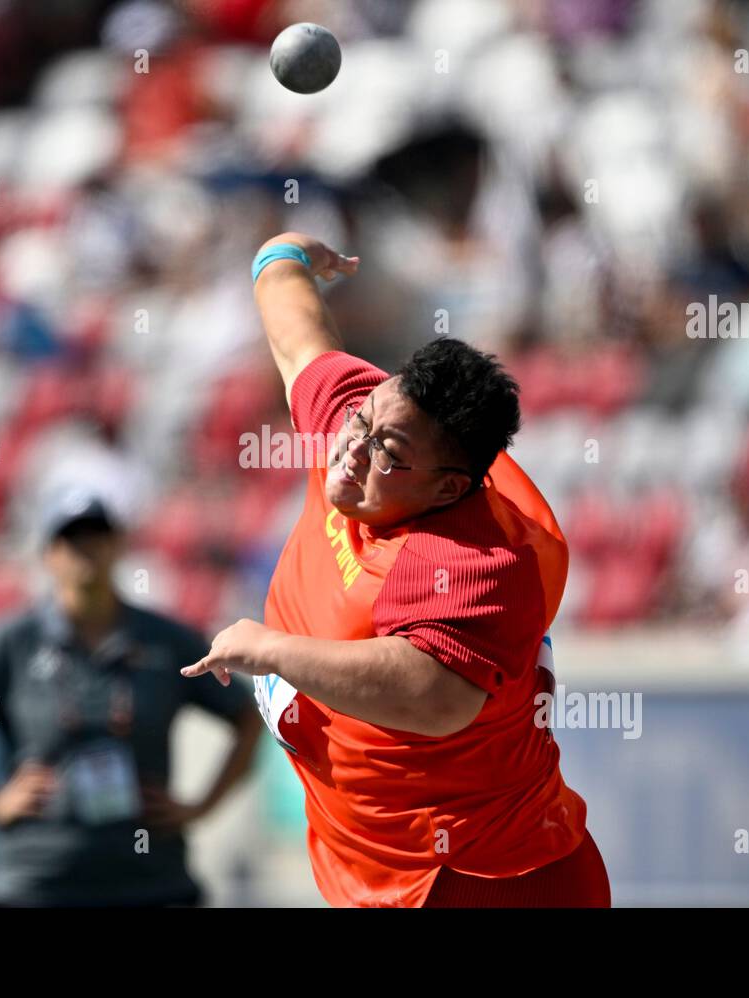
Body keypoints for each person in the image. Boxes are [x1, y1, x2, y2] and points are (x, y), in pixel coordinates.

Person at [181, 232, 610, 908]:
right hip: (379, 865)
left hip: (484, 879)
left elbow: (432, 699)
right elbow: (297, 336)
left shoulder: (472, 563)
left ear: (445, 489)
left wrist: (272, 651)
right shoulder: (362, 416)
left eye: (388, 452)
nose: (353, 451)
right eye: (364, 421)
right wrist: (282, 256)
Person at [0, 488, 263, 907]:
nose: (85, 550)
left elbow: (247, 715)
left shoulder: (163, 640)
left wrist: (202, 806)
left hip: (149, 880)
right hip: (39, 879)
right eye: (71, 539)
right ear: (48, 554)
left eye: (97, 536)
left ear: (118, 546)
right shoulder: (16, 640)